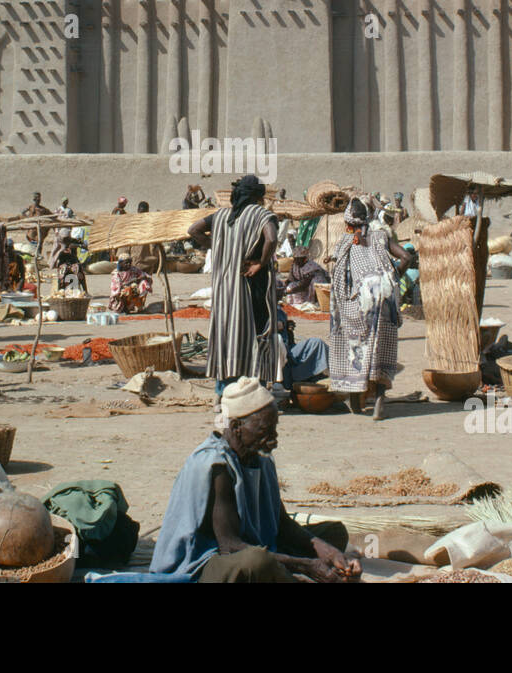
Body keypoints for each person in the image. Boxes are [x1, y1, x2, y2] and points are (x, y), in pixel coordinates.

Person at [149, 378, 359, 583]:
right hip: (204, 563)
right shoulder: (216, 466)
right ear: (236, 426)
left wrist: (329, 553)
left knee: (334, 533)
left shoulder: (260, 457)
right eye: (264, 431)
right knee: (257, 562)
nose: (274, 439)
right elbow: (230, 546)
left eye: (274, 429)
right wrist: (305, 565)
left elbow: (282, 524)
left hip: (254, 545)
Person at [189, 175, 280, 403]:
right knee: (254, 333)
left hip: (223, 289)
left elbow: (194, 230)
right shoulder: (261, 215)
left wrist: (219, 246)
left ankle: (223, 393)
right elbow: (271, 238)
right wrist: (261, 262)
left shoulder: (220, 216)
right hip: (250, 285)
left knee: (225, 333)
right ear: (257, 196)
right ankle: (249, 390)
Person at [328, 198, 414, 420]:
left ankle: (356, 403)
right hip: (384, 296)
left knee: (355, 346)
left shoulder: (347, 241)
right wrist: (394, 277)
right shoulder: (381, 236)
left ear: (348, 222)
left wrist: (342, 305)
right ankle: (378, 404)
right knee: (380, 349)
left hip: (362, 300)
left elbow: (339, 281)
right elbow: (407, 256)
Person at [275, 310, 329, 393]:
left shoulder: (279, 310)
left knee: (317, 343)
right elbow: (278, 325)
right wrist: (284, 324)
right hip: (279, 352)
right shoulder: (266, 308)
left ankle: (321, 374)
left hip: (290, 349)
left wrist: (288, 329)